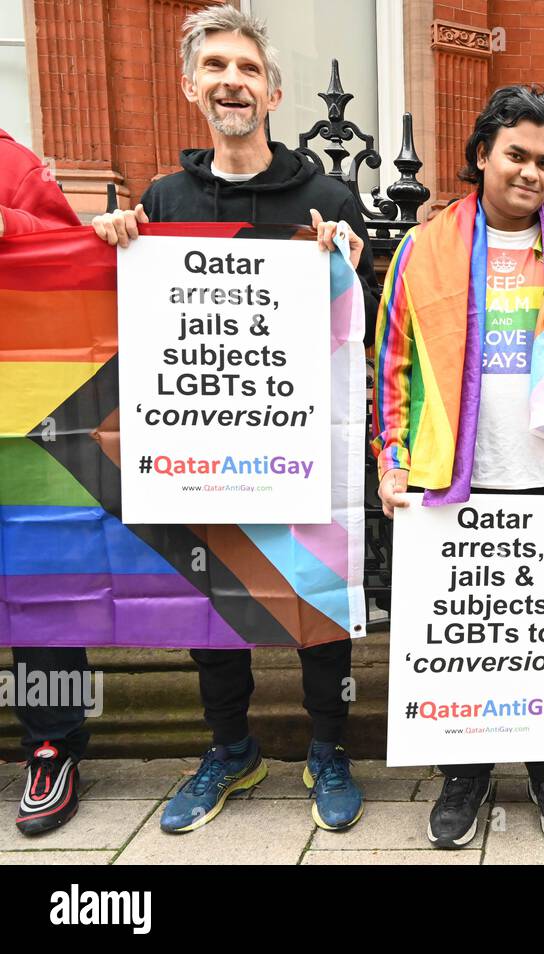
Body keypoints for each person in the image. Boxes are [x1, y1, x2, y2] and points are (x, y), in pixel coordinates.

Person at [89, 4, 378, 834]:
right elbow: (131, 317)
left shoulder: (327, 195)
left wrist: (351, 259)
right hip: (201, 439)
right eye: (216, 67)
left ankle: (328, 745)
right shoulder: (163, 199)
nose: (232, 82)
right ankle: (229, 749)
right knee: (210, 598)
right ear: (191, 87)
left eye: (247, 69)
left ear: (273, 91)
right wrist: (114, 242)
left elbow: (361, 316)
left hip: (298, 440)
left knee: (315, 587)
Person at [373, 84, 544, 848]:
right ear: (482, 155)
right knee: (463, 635)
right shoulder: (424, 247)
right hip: (454, 475)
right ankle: (464, 776)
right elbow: (395, 363)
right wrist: (393, 458)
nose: (533, 173)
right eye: (517, 155)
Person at [1, 126, 92, 836]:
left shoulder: (13, 162)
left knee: (41, 583)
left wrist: (8, 223)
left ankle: (54, 742)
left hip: (16, 404)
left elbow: (70, 258)